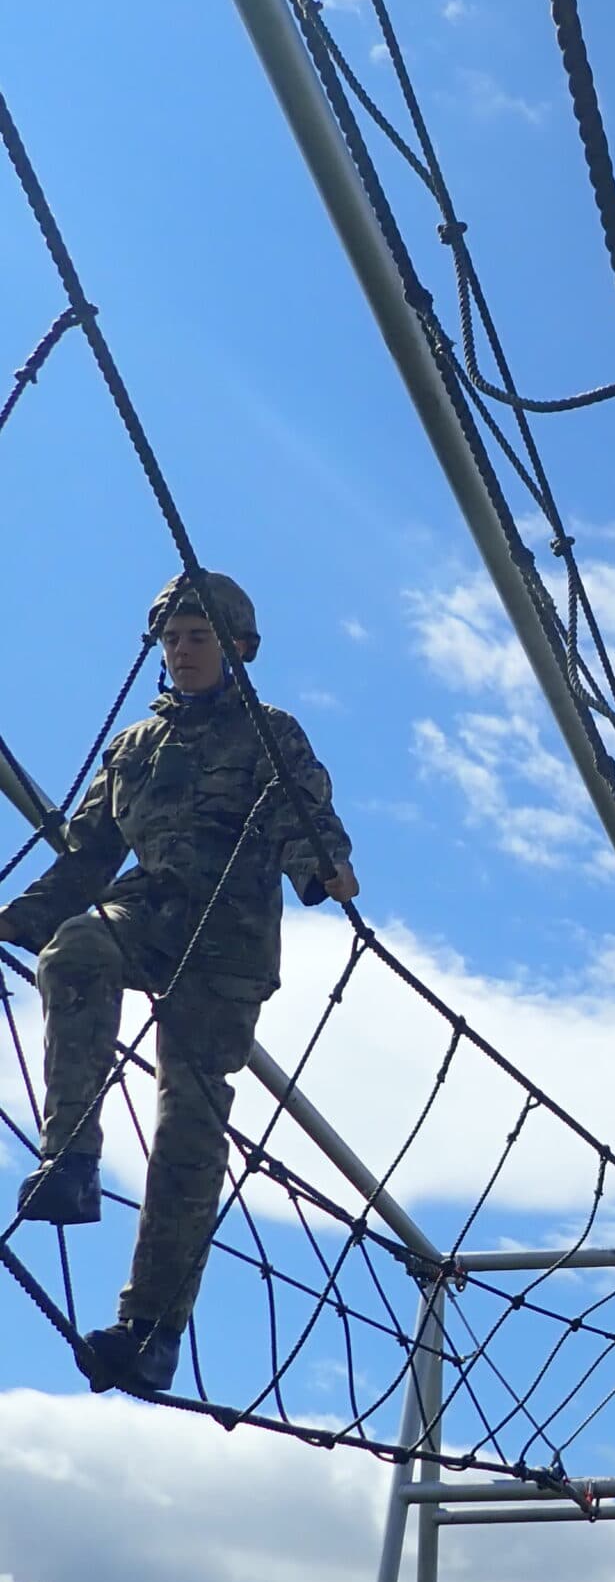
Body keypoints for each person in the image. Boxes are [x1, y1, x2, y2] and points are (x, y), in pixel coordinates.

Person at [0, 571, 356, 1396]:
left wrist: (324, 867)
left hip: (225, 946)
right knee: (74, 948)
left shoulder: (270, 734)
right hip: (150, 916)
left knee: (188, 1127)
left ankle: (150, 1330)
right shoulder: (133, 749)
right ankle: (71, 1159)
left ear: (237, 650)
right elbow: (84, 858)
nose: (184, 651)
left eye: (200, 637)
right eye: (174, 639)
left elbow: (303, 818)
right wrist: (13, 921)